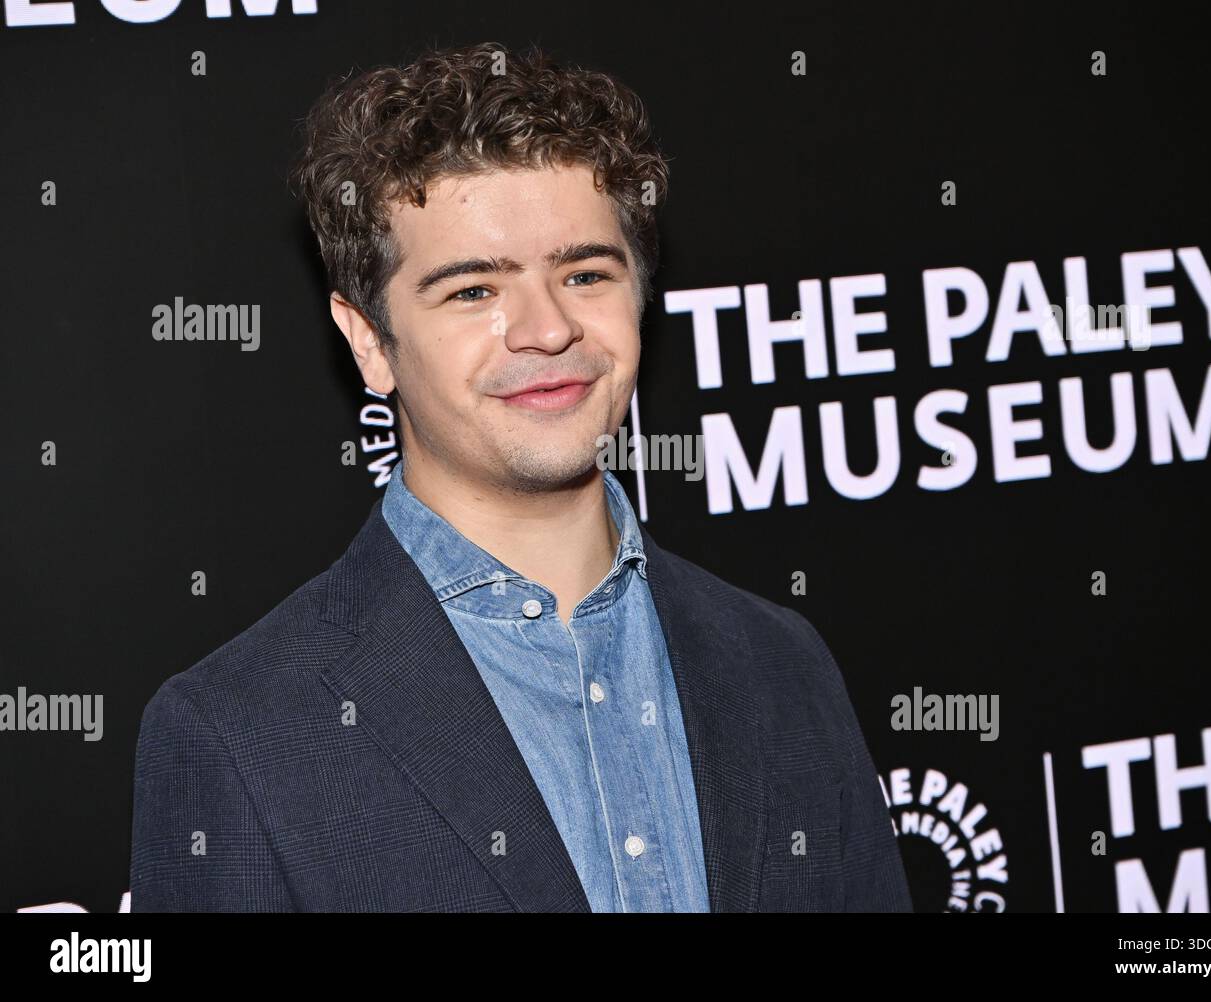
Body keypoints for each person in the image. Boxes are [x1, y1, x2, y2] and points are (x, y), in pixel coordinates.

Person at [129, 41, 912, 913]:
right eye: (472, 291)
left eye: (584, 274)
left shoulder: (781, 663)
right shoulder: (239, 732)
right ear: (366, 340)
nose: (547, 329)